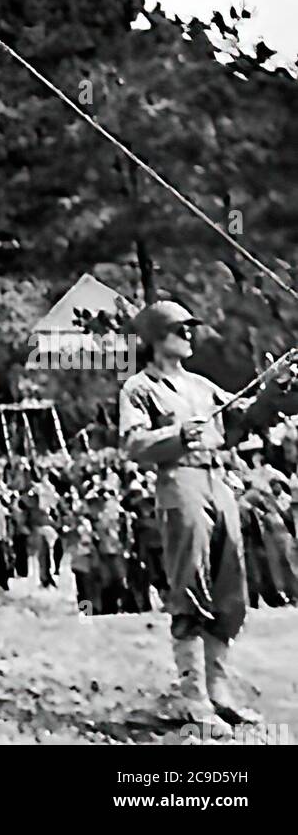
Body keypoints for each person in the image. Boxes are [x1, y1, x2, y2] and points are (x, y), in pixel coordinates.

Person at [119, 300, 298, 733]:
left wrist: (275, 389)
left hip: (220, 482)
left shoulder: (202, 386)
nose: (189, 336)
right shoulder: (141, 388)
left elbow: (241, 424)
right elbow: (133, 445)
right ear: (157, 336)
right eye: (181, 329)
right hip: (180, 482)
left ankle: (219, 689)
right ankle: (192, 691)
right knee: (190, 581)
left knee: (229, 583)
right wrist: (177, 435)